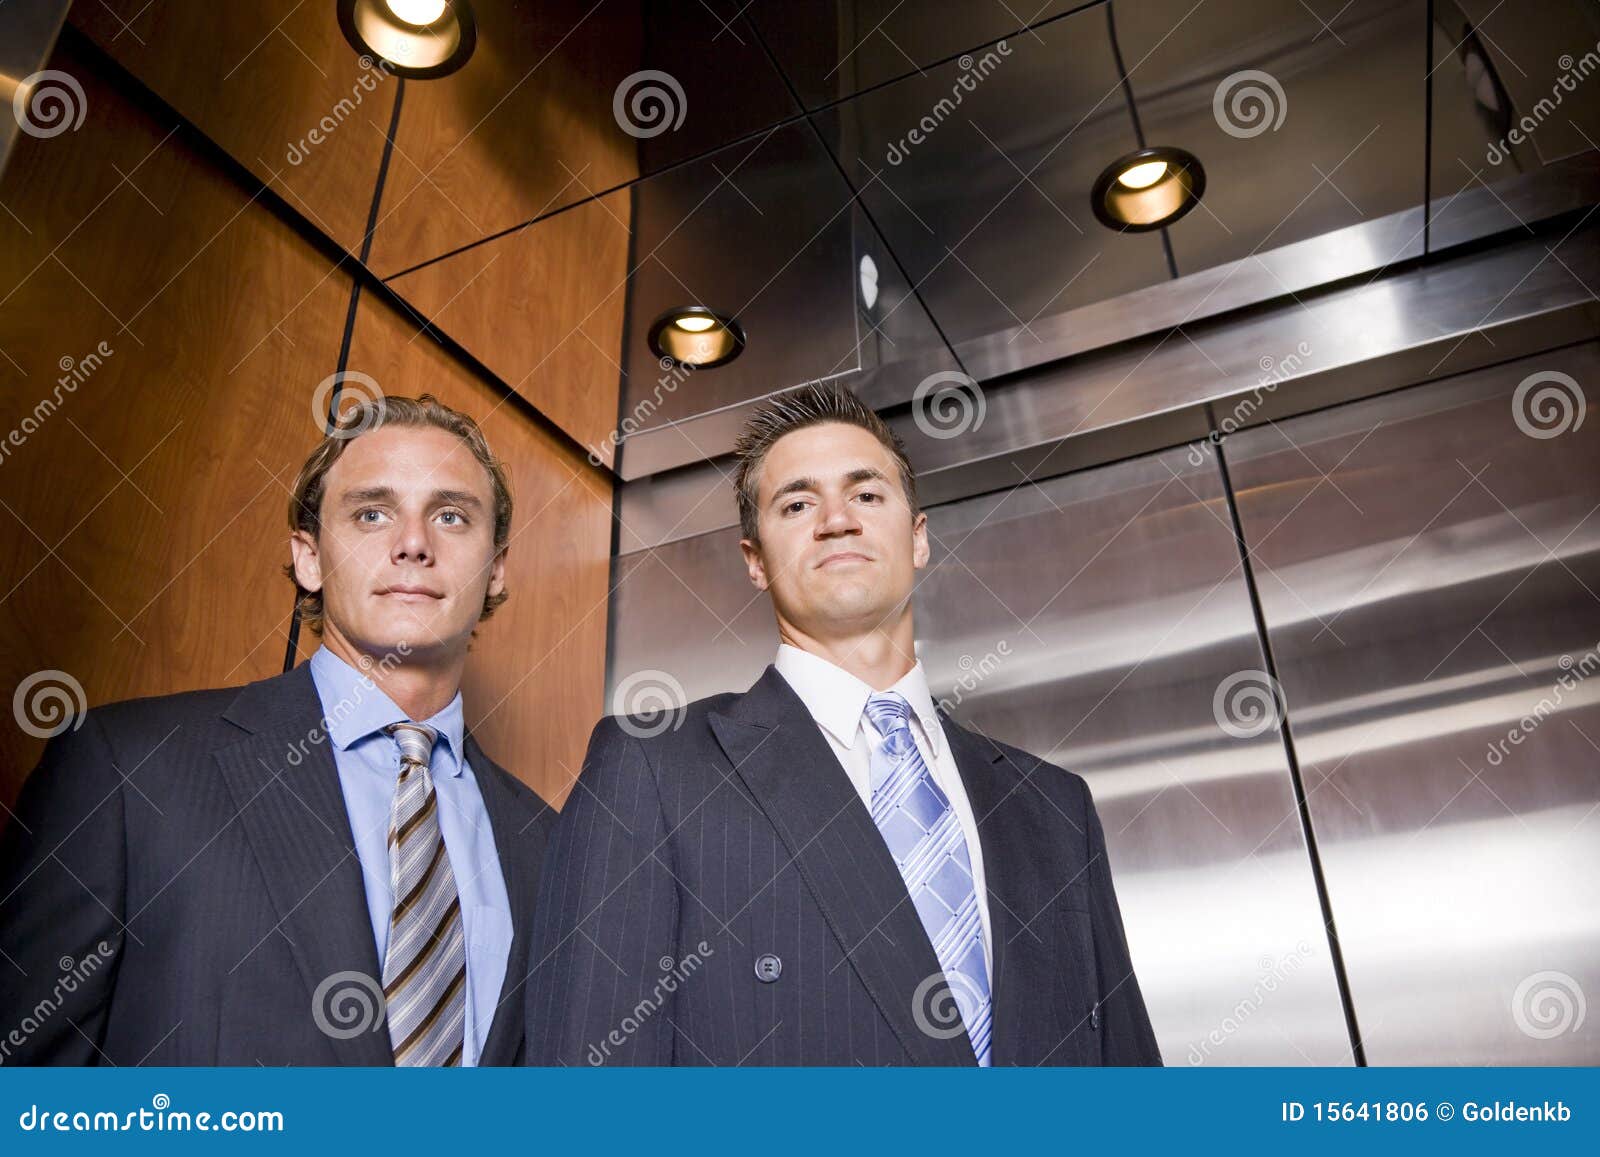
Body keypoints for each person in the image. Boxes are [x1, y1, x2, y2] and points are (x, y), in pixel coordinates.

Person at [528, 381, 1161, 1065]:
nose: (837, 519)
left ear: (918, 537)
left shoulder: (1054, 807)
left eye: (866, 494)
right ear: (754, 560)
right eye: (798, 503)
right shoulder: (652, 769)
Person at [0, 394, 552, 1066]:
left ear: (495, 567)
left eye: (452, 515)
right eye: (373, 512)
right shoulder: (128, 771)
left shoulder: (550, 843)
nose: (414, 543)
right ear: (310, 557)